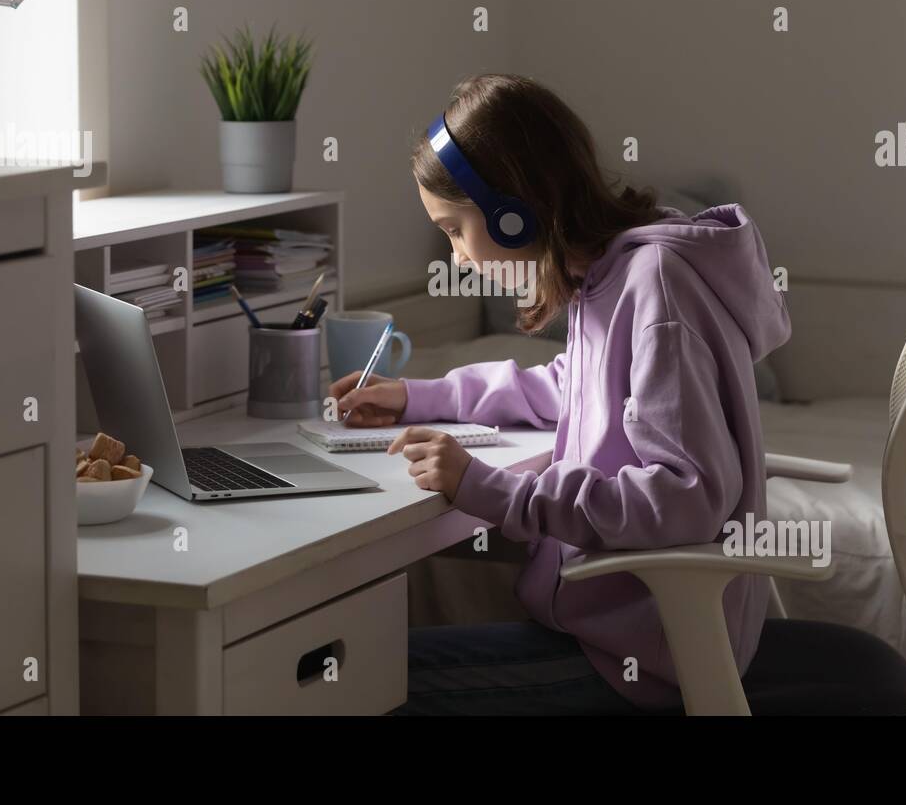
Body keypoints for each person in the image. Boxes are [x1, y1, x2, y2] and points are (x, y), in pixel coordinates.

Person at [330, 73, 791, 714]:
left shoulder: (655, 288)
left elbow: (686, 499)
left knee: (360, 681)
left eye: (455, 230)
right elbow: (567, 385)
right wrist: (419, 396)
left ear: (512, 213)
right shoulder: (610, 272)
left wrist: (491, 489)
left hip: (643, 658)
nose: (457, 257)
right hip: (615, 629)